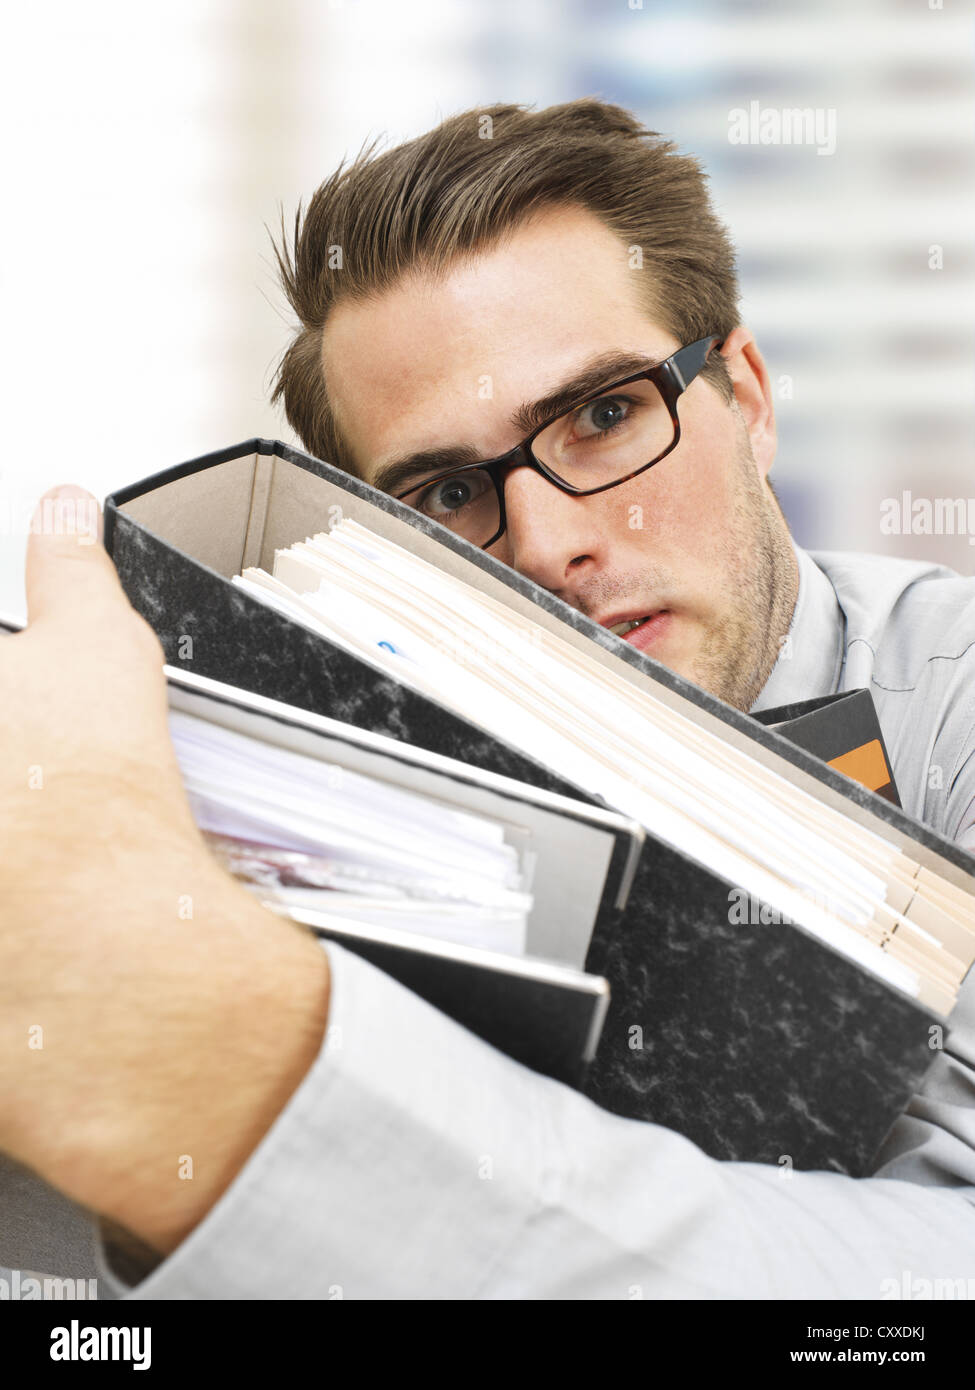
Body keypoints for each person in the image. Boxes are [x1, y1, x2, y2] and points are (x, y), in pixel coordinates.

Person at [2, 100, 974, 1300]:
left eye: (607, 413)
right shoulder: (331, 814)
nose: (548, 541)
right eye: (450, 492)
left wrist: (234, 1071)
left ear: (749, 395)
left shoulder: (961, 702)